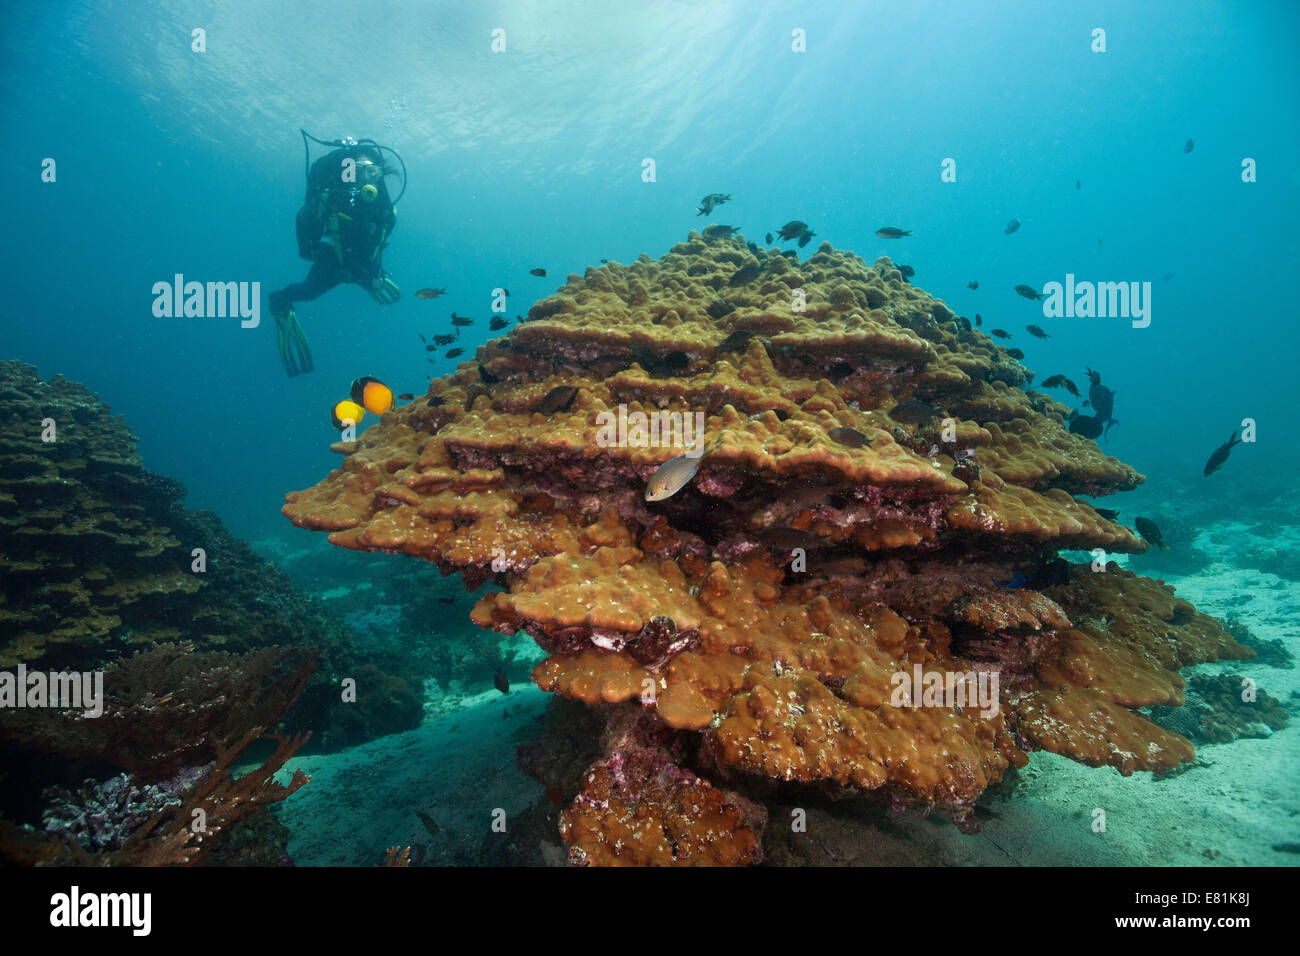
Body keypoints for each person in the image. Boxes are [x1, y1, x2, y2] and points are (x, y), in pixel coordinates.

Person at [270, 136, 402, 376]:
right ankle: (280, 304)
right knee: (308, 292)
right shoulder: (334, 197)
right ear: (348, 171)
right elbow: (306, 228)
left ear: (380, 174)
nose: (366, 177)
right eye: (359, 170)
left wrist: (374, 270)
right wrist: (321, 209)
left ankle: (369, 279)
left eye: (372, 172)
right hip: (334, 260)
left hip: (361, 267)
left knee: (389, 292)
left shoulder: (383, 204)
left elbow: (380, 238)